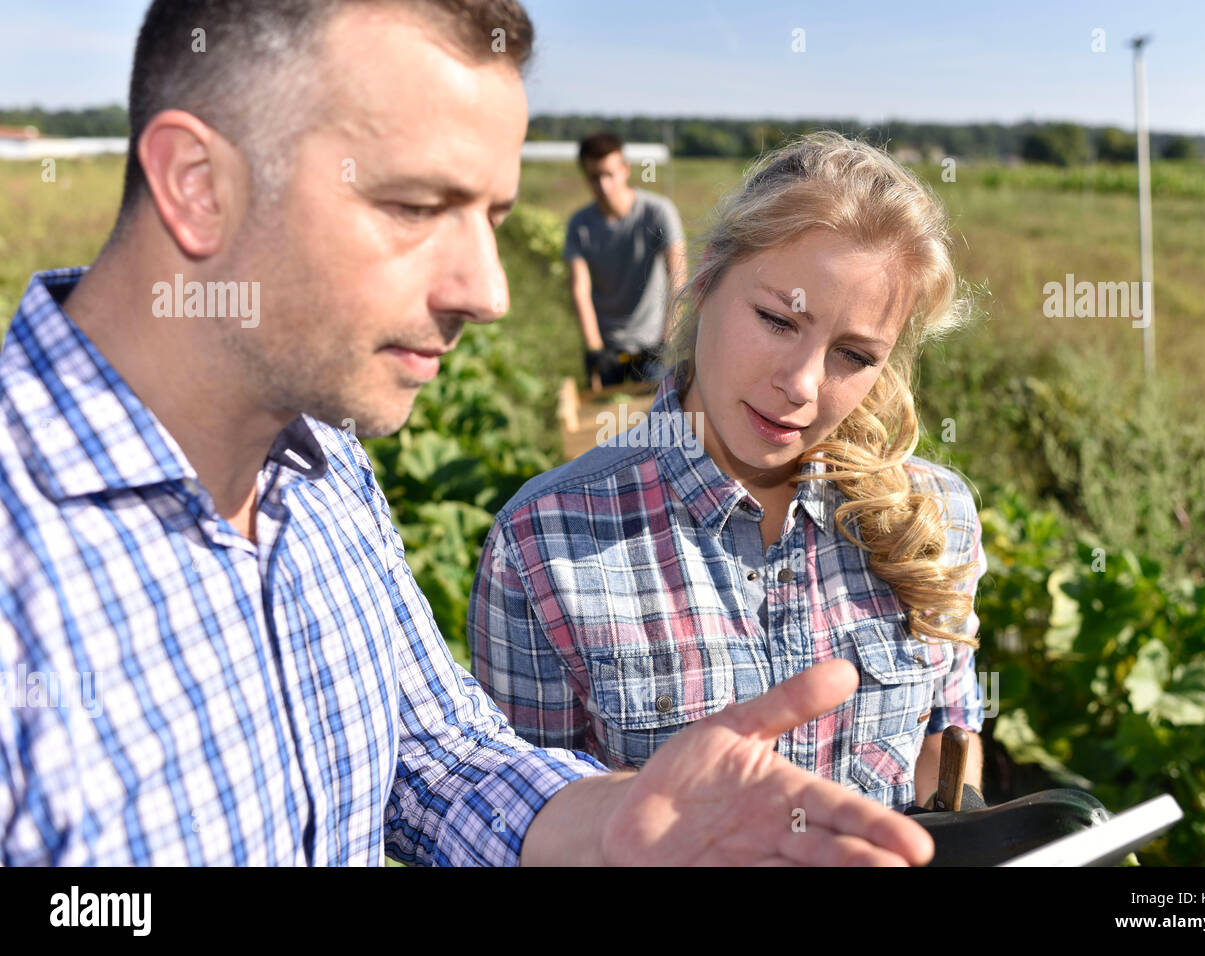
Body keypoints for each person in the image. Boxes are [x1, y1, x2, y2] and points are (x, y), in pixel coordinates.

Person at [0, 0, 935, 867]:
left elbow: (431, 752)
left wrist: (619, 822)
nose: (487, 293)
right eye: (415, 207)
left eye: (490, 216)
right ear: (197, 185)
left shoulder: (322, 464)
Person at [469, 130, 988, 812]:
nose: (801, 384)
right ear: (708, 275)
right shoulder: (544, 546)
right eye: (777, 320)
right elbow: (525, 822)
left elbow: (947, 739)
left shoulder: (931, 518)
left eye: (854, 356)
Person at [565, 131, 687, 389]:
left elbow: (678, 275)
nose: (604, 185)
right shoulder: (580, 225)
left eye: (609, 174)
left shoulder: (657, 212)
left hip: (654, 344)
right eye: (594, 177)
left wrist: (669, 337)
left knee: (659, 421)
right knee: (604, 425)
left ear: (625, 169)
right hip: (607, 346)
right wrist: (594, 347)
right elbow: (580, 289)